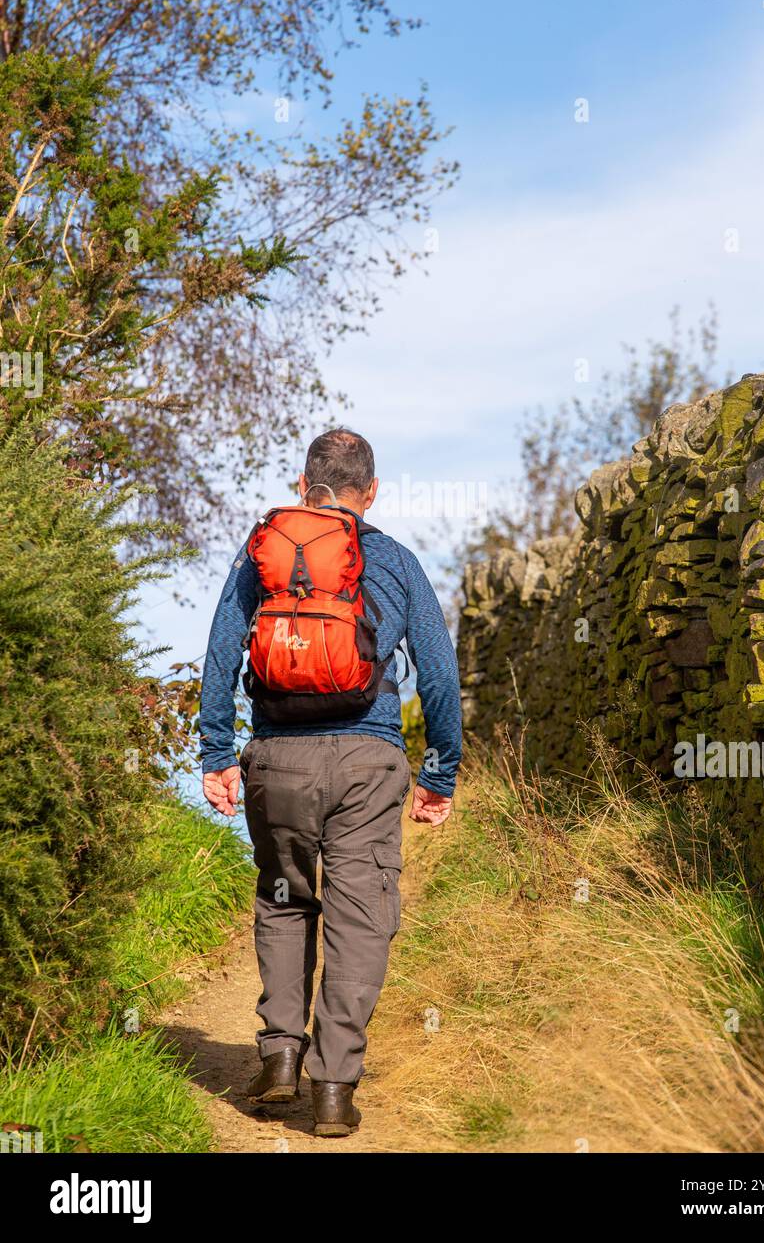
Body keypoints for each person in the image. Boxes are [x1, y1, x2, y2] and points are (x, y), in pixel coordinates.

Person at [199, 427, 461, 1137]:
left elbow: (223, 650)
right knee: (360, 917)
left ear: (302, 482)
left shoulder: (264, 555)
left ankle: (280, 1055)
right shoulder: (397, 561)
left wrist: (217, 752)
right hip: (367, 766)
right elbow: (438, 674)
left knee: (284, 899)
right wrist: (441, 771)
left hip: (276, 759)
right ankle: (335, 1087)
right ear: (370, 493)